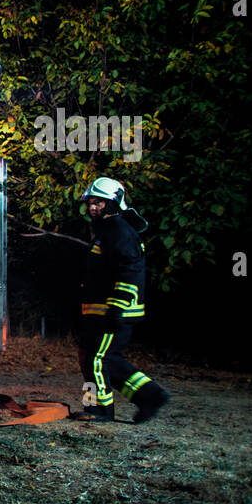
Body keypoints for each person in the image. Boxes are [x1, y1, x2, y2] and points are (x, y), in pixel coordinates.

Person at [76, 177, 169, 423]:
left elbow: (131, 270)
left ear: (115, 203)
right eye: (91, 203)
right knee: (94, 359)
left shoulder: (120, 231)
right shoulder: (106, 231)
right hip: (99, 311)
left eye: (99, 203)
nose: (93, 208)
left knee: (98, 359)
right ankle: (149, 395)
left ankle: (99, 410)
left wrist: (117, 307)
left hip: (113, 312)